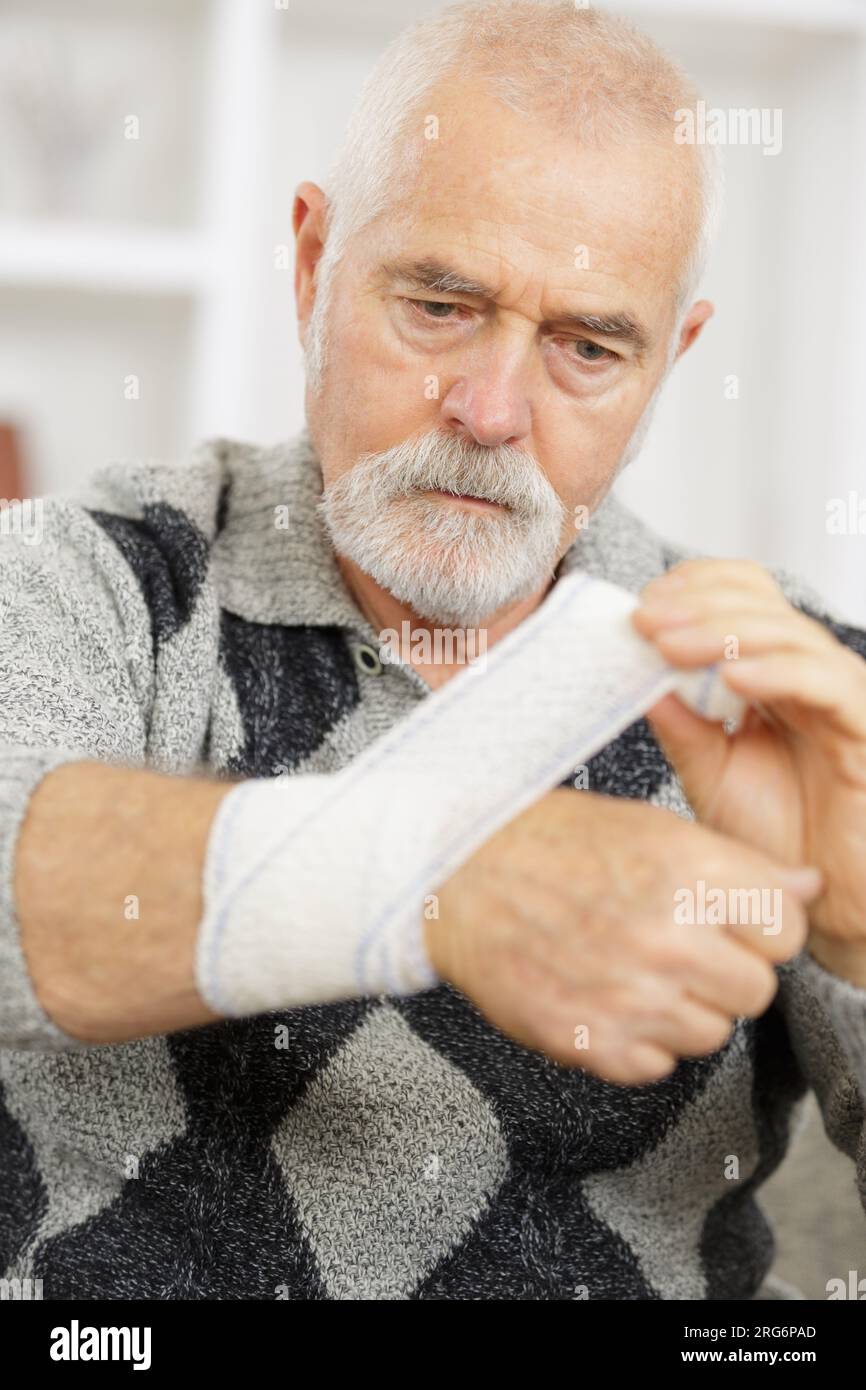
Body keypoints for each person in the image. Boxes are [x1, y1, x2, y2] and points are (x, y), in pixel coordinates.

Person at [1, 0, 864, 1301]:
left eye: (586, 346)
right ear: (311, 263)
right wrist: (438, 878)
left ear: (667, 360)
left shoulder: (798, 694)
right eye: (441, 303)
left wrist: (858, 927)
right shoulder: (82, 576)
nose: (492, 410)